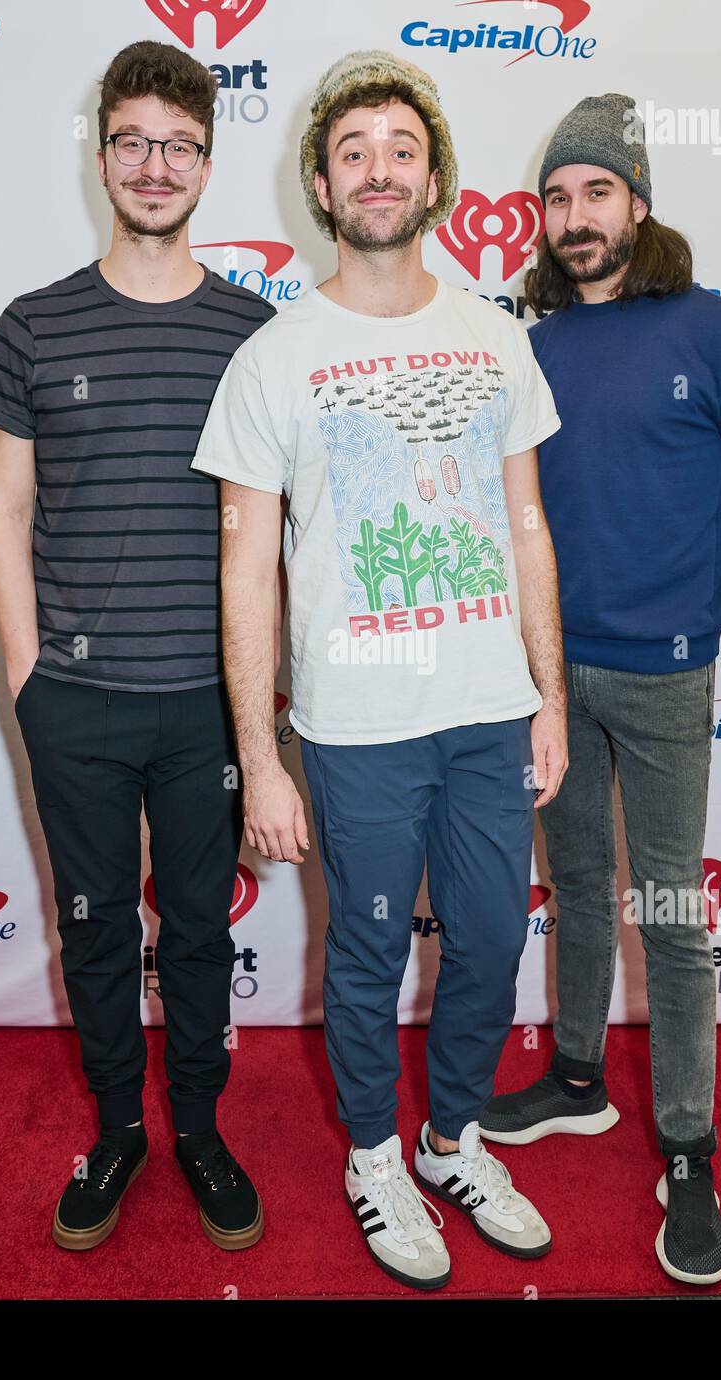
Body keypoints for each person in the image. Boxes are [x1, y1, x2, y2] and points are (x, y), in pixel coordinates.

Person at [191, 51, 567, 1290]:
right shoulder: (275, 356)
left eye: (400, 148)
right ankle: (371, 1154)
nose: (377, 169)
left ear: (435, 177)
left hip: (485, 710)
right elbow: (246, 572)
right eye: (352, 151)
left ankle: (450, 1138)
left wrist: (548, 692)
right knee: (361, 954)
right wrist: (260, 757)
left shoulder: (496, 339)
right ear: (319, 182)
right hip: (353, 722)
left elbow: (526, 529)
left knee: (488, 943)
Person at [480, 94, 721, 1285]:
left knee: (668, 913)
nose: (575, 218)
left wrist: (696, 594)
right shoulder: (522, 344)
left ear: (636, 204)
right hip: (547, 677)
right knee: (574, 884)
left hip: (670, 678)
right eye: (555, 199)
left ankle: (686, 1143)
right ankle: (577, 1077)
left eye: (595, 194)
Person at [0, 40, 274, 1253]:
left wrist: (269, 700)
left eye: (180, 145)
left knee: (199, 927)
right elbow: (5, 520)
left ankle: (196, 1124)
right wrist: (28, 676)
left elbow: (273, 534)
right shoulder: (32, 326)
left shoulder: (254, 334)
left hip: (208, 702)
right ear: (102, 156)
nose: (157, 165)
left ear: (208, 160)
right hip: (77, 702)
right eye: (134, 141)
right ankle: (114, 1131)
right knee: (93, 925)